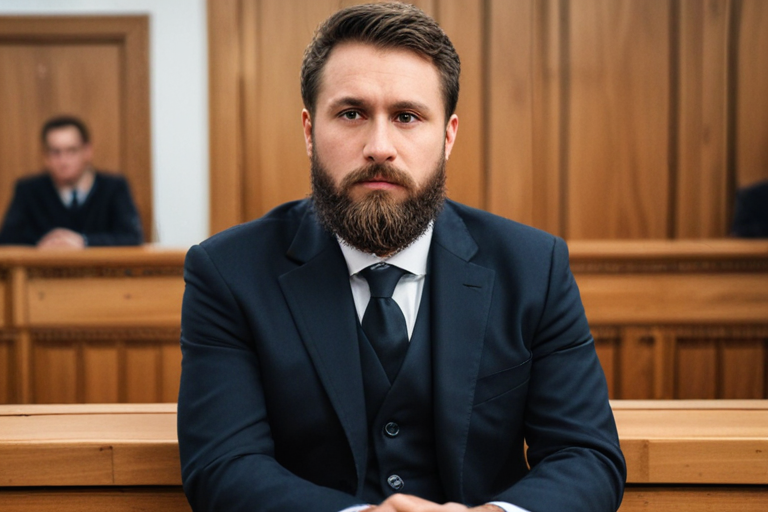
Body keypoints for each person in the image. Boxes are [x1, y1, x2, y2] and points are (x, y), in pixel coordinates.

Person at [177, 3, 625, 512]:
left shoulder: (534, 267)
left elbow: (585, 454)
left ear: (449, 135)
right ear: (308, 130)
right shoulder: (227, 273)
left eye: (407, 117)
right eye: (352, 113)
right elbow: (223, 465)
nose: (379, 146)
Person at [0, 116, 143, 247]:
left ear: (87, 151)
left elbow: (132, 237)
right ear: (45, 157)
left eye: (72, 151)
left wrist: (83, 241)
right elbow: (7, 239)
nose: (63, 161)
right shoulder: (28, 190)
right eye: (55, 152)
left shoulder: (114, 187)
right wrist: (46, 244)